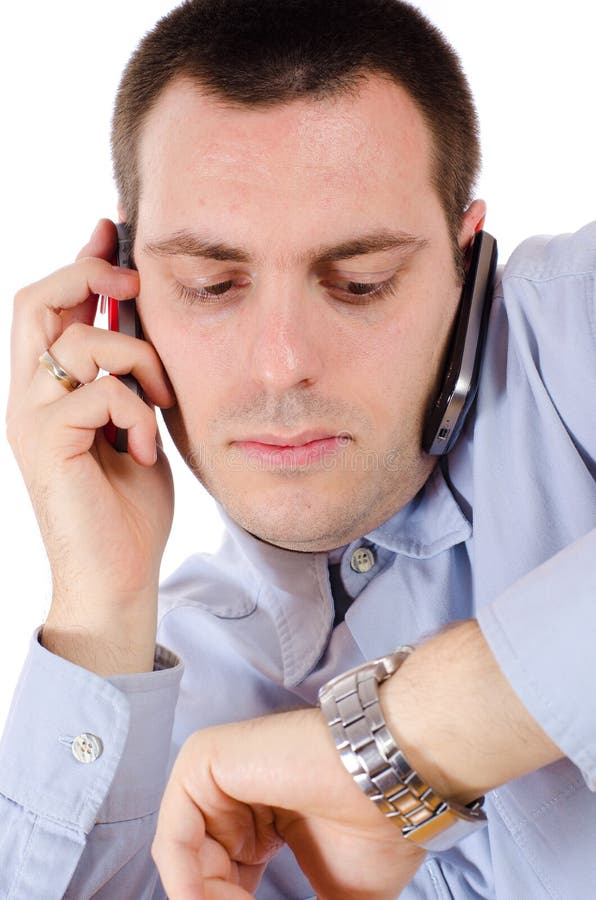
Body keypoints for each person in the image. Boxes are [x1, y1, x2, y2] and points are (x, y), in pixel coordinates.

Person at [2, 0, 595, 896]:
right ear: (123, 298)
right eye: (210, 285)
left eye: (359, 284)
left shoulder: (575, 323)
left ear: (467, 265)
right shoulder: (173, 700)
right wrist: (98, 609)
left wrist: (402, 739)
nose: (281, 367)